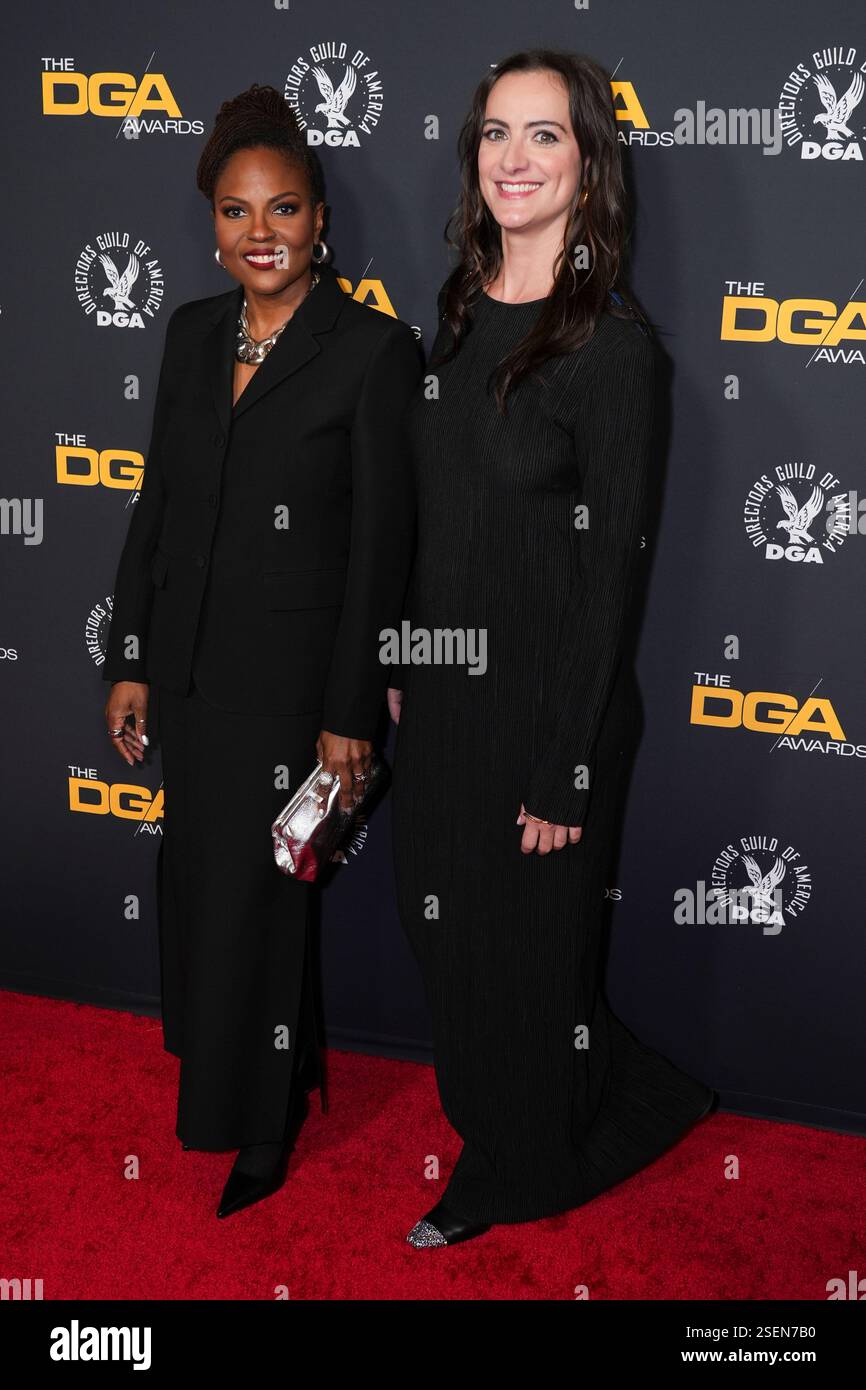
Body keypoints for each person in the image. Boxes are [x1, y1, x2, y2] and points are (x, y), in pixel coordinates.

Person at [389, 49, 716, 1248]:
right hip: (443, 699)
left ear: (588, 171)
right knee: (446, 942)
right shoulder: (458, 312)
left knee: (520, 967)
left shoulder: (615, 354)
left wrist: (564, 764)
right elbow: (446, 524)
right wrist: (399, 655)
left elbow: (607, 579)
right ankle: (631, 1097)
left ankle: (517, 1166)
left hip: (545, 715)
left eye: (543, 138)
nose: (512, 160)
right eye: (493, 134)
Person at [102, 84, 420, 1219]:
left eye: (283, 209)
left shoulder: (374, 352)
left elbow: (380, 553)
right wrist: (129, 656)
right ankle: (259, 1073)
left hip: (291, 697)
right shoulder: (190, 332)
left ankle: (263, 1122)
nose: (261, 234)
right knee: (198, 891)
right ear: (213, 226)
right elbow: (159, 503)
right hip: (186, 676)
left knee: (261, 903)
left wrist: (346, 711)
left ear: (321, 220)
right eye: (237, 213)